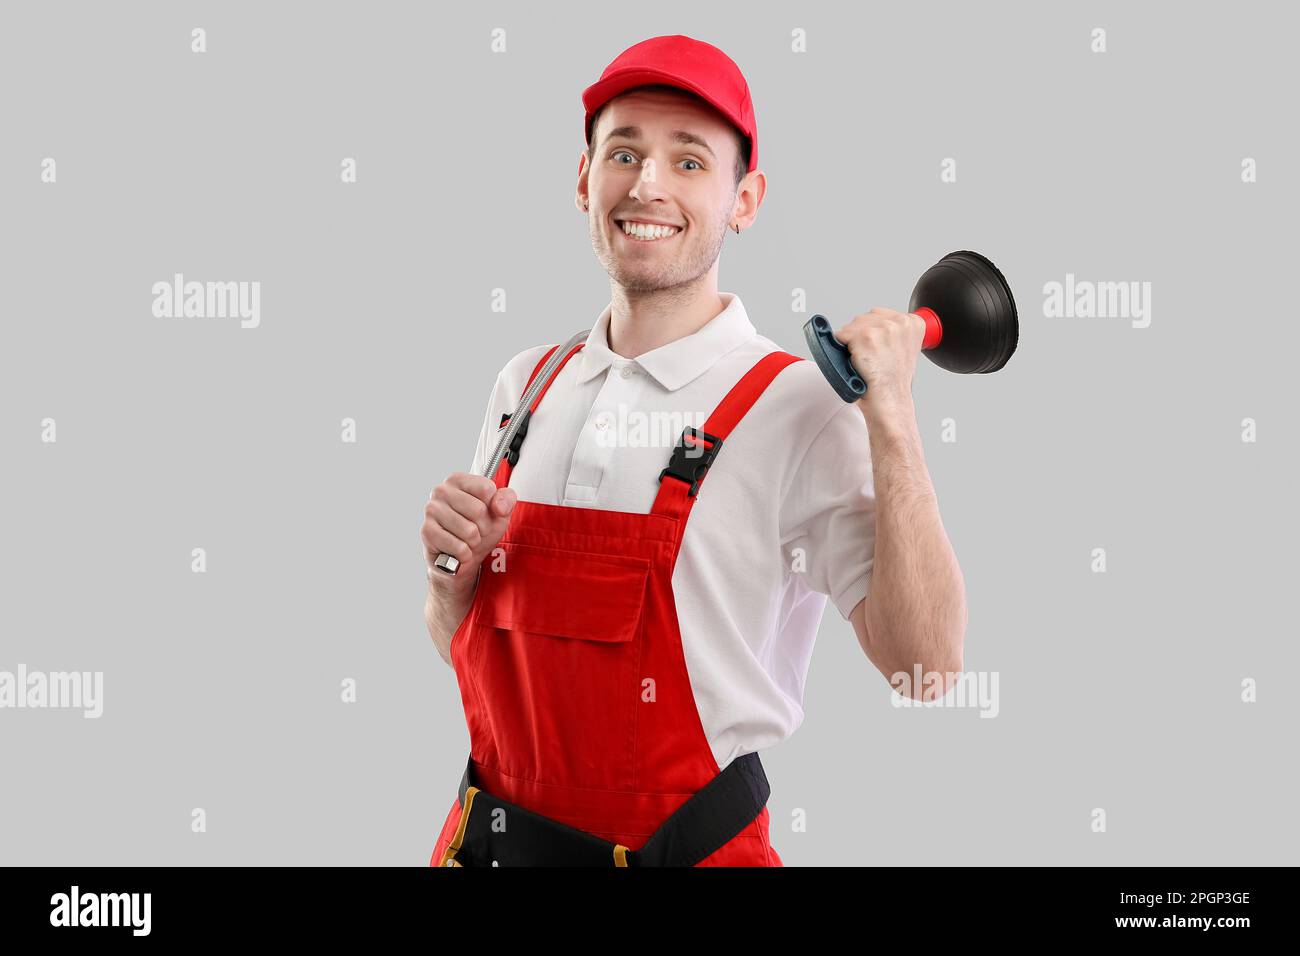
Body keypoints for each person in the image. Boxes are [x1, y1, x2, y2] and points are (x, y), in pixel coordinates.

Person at [421, 35, 967, 867]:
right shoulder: (525, 386)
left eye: (688, 162)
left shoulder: (800, 407)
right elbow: (475, 653)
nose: (646, 184)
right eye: (624, 151)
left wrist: (891, 418)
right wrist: (451, 582)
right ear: (583, 179)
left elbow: (926, 668)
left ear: (744, 199)